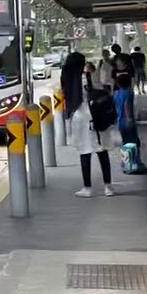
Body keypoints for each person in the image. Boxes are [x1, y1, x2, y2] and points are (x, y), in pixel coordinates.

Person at [61, 52, 117, 197]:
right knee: (102, 151)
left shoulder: (67, 77)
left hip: (80, 117)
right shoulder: (88, 76)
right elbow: (102, 90)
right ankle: (108, 186)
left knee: (84, 152)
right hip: (96, 115)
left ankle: (87, 187)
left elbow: (67, 96)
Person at [113, 73, 142, 173]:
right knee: (134, 143)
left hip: (120, 121)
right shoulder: (129, 93)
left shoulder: (116, 93)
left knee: (125, 143)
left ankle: (126, 164)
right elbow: (127, 105)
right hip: (127, 121)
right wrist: (129, 118)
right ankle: (134, 163)